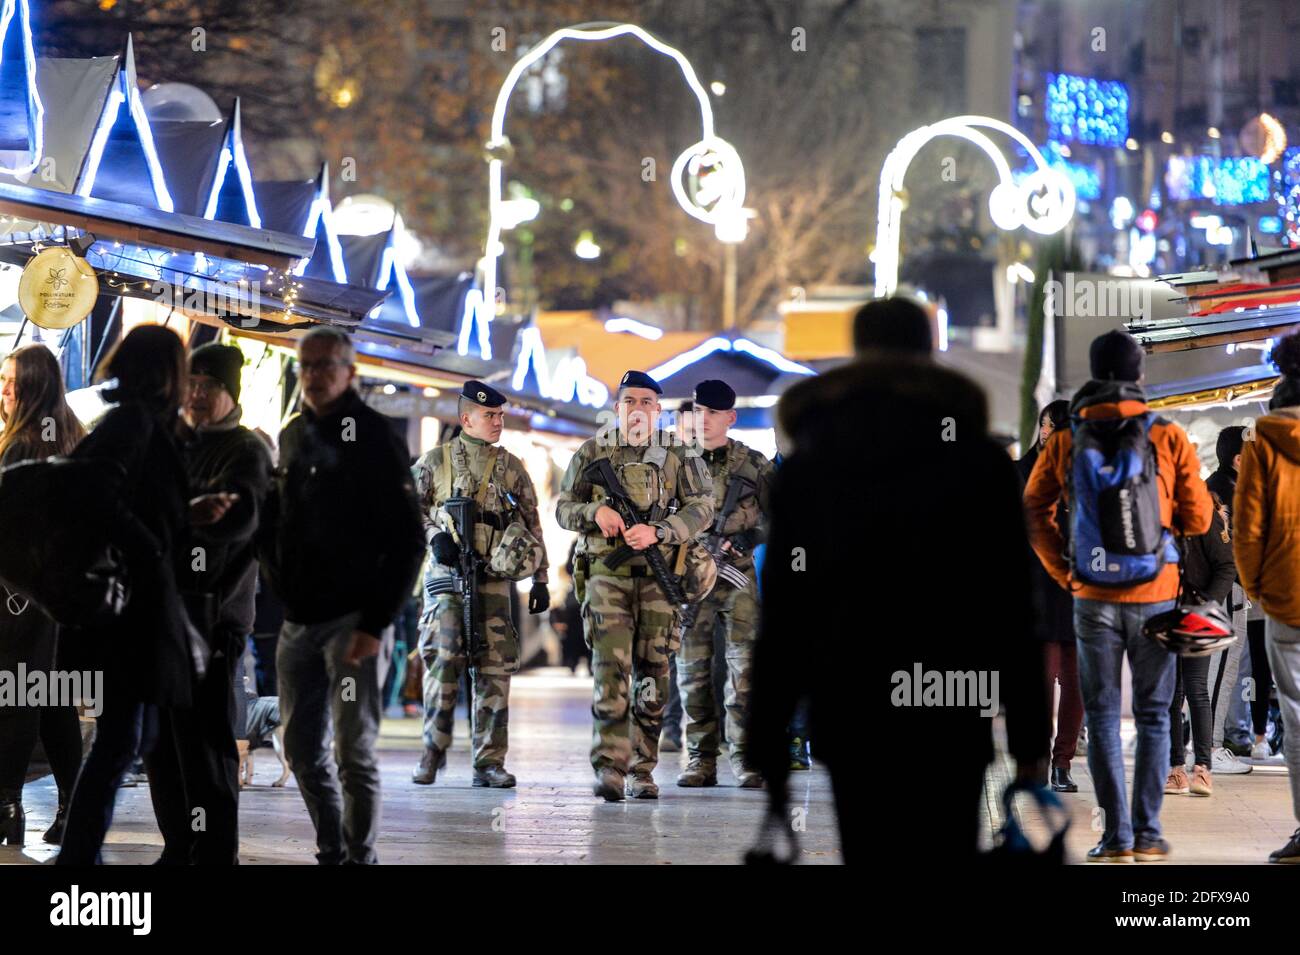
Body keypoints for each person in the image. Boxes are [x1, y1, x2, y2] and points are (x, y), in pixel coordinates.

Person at [752, 297, 1049, 863]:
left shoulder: (813, 465)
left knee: (867, 849)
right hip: (952, 702)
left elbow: (788, 611)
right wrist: (1031, 736)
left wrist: (767, 739)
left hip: (851, 702)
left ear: (858, 349)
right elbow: (1012, 602)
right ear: (930, 349)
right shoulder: (977, 462)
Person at [1025, 329, 1212, 863]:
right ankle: (1149, 834)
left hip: (1092, 596)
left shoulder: (1066, 437)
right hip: (1156, 594)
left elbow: (1034, 509)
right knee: (1155, 715)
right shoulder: (1168, 436)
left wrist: (1066, 570)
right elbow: (1198, 517)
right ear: (1138, 376)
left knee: (1103, 716)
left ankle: (1116, 838)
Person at [260, 326, 423, 864]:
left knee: (354, 752)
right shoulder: (292, 435)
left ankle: (359, 856)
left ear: (350, 371)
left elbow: (407, 540)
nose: (314, 376)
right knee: (302, 749)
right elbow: (277, 522)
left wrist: (375, 622)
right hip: (298, 623)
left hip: (352, 621)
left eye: (326, 365)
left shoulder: (375, 436)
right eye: (306, 366)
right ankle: (332, 846)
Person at [56, 325, 207, 865]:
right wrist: (148, 546)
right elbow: (95, 494)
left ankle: (79, 856)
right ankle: (77, 861)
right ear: (166, 372)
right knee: (121, 741)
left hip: (139, 607)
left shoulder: (140, 424)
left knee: (132, 739)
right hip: (131, 612)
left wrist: (182, 519)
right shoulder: (133, 423)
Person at [556, 370, 714, 801]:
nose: (638, 408)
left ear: (657, 409)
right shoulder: (593, 451)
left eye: (647, 401)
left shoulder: (679, 453)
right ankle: (610, 766)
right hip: (607, 576)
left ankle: (641, 768)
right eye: (630, 401)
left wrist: (661, 531)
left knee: (654, 674)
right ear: (618, 407)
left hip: (661, 580)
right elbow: (563, 508)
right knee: (610, 670)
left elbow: (703, 507)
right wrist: (595, 514)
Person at [143, 343, 272, 864]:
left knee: (206, 747)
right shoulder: (171, 442)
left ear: (229, 394)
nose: (196, 395)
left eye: (209, 386)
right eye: (191, 383)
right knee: (160, 747)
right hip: (160, 619)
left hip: (214, 622)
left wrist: (180, 522)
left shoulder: (247, 450)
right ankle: (178, 847)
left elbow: (235, 525)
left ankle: (216, 853)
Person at [409, 380, 549, 787]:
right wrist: (434, 536)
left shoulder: (512, 467)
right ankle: (432, 751)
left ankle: (488, 761)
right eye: (489, 415)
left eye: (500, 415)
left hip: (493, 580)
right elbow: (404, 511)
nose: (497, 421)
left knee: (494, 670)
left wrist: (540, 578)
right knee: (443, 661)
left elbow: (531, 523)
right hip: (446, 580)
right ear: (465, 417)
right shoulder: (434, 462)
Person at [0, 345, 86, 846]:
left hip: (19, 598)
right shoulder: (68, 431)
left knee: (15, 699)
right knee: (52, 703)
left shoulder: (22, 444)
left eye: (15, 381)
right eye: (4, 379)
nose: (6, 390)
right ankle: (74, 808)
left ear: (36, 387)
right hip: (57, 598)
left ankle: (8, 807)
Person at [675, 379, 774, 789]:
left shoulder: (753, 464)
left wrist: (753, 536)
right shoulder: (675, 462)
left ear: (730, 418)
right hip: (689, 577)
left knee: (744, 671)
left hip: (737, 577)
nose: (704, 419)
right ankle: (700, 759)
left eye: (713, 413)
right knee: (692, 670)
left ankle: (746, 758)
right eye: (699, 411)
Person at [1232, 331, 1300, 863]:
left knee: (1296, 717)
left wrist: (1258, 589)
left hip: (1287, 599)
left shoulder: (1264, 442)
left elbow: (1248, 530)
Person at [1016, 399, 1082, 792]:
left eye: (1058, 427)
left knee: (1077, 684)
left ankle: (1063, 763)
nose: (1049, 433)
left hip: (1076, 594)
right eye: (1046, 424)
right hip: (1036, 595)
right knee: (1040, 682)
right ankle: (1039, 762)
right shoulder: (1019, 473)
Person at [1165, 493, 1234, 798]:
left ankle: (1202, 769)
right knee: (1170, 692)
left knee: (1196, 689)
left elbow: (1226, 567)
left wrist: (1206, 606)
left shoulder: (1203, 514)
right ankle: (1174, 769)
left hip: (1197, 613)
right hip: (1164, 611)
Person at [1204, 426, 1254, 775]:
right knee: (1222, 671)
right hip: (1227, 590)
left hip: (1226, 589)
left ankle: (1208, 744)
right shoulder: (1227, 492)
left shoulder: (1219, 485)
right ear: (1239, 459)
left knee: (1217, 671)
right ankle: (1211, 747)